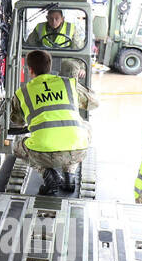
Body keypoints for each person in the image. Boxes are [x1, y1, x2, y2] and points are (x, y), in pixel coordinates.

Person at [11, 50, 91, 195]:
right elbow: (94, 103)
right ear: (50, 67)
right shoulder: (69, 84)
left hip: (42, 153)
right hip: (79, 151)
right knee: (85, 127)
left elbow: (16, 121)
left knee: (16, 146)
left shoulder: (22, 93)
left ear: (30, 70)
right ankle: (69, 175)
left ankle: (47, 173)